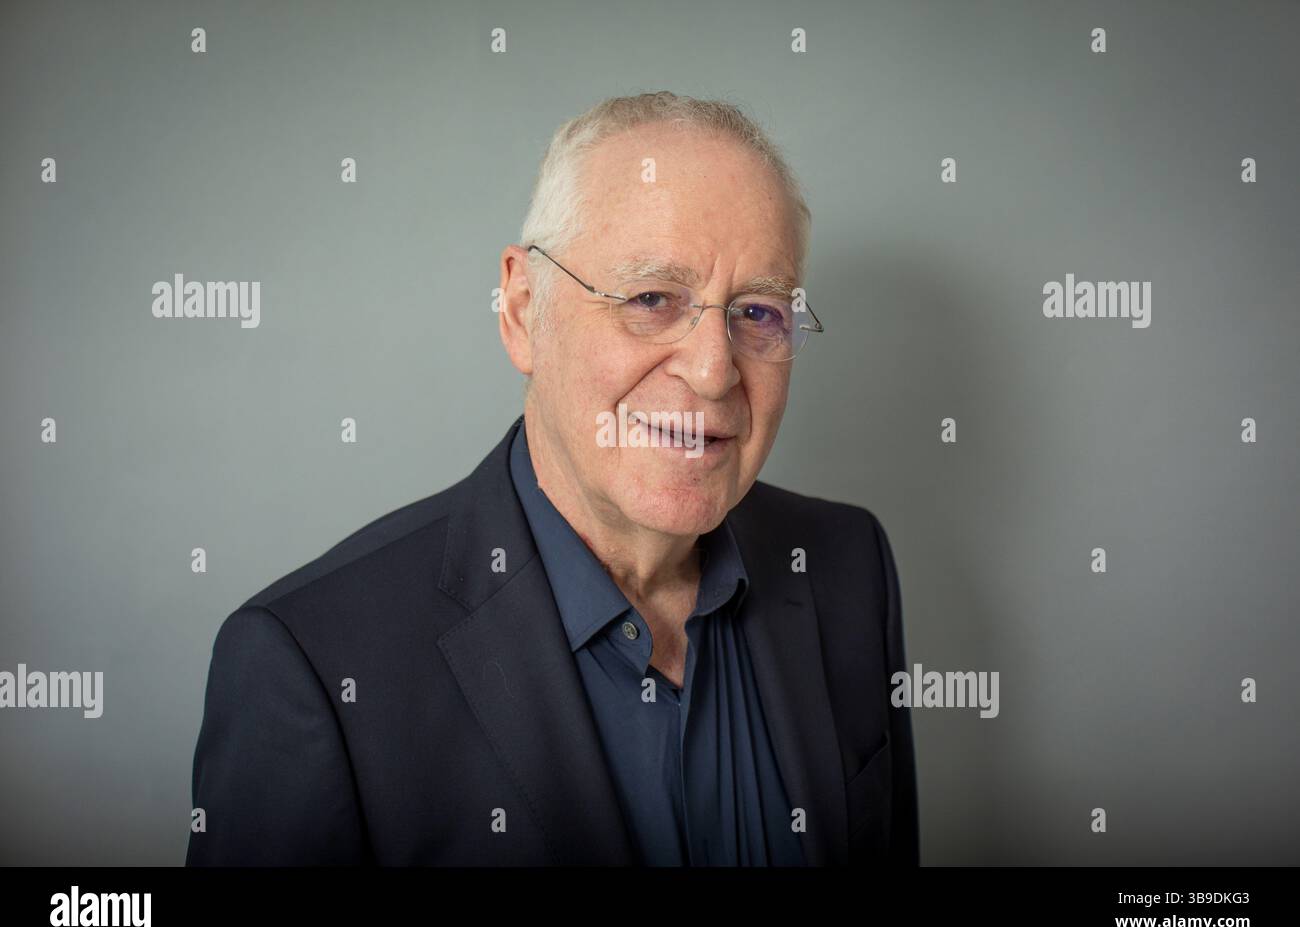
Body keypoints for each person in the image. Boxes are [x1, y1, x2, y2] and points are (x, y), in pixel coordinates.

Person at [186, 90, 917, 866]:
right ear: (521, 309)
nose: (712, 372)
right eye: (651, 299)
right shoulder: (313, 666)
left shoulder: (846, 565)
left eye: (758, 313)